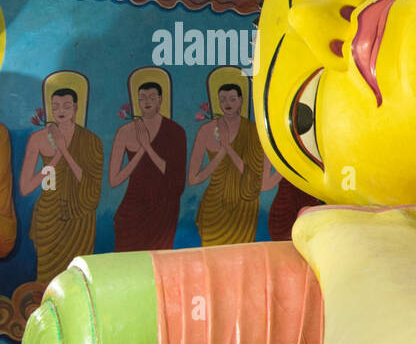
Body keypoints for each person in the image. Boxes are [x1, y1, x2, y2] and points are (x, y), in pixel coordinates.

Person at [19, 87, 102, 285]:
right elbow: (25, 188)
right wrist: (55, 158)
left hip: (80, 218)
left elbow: (91, 185)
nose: (61, 111)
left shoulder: (91, 141)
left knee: (77, 278)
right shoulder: (38, 138)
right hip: (49, 216)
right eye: (55, 107)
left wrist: (64, 150)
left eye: (66, 106)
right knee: (46, 281)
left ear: (75, 108)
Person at [188, 83, 275, 244]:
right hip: (214, 206)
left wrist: (228, 147)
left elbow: (260, 182)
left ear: (241, 101)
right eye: (223, 99)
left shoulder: (255, 131)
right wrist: (222, 152)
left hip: (244, 207)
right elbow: (193, 179)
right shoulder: (206, 130)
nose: (227, 103)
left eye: (232, 99)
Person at [109, 82, 187, 251]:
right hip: (134, 204)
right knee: (128, 259)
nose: (147, 101)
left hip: (163, 207)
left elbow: (177, 178)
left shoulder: (175, 131)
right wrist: (140, 152)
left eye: (152, 97)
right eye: (142, 98)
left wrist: (147, 147)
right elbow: (114, 180)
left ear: (160, 100)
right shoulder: (125, 131)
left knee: (158, 262)